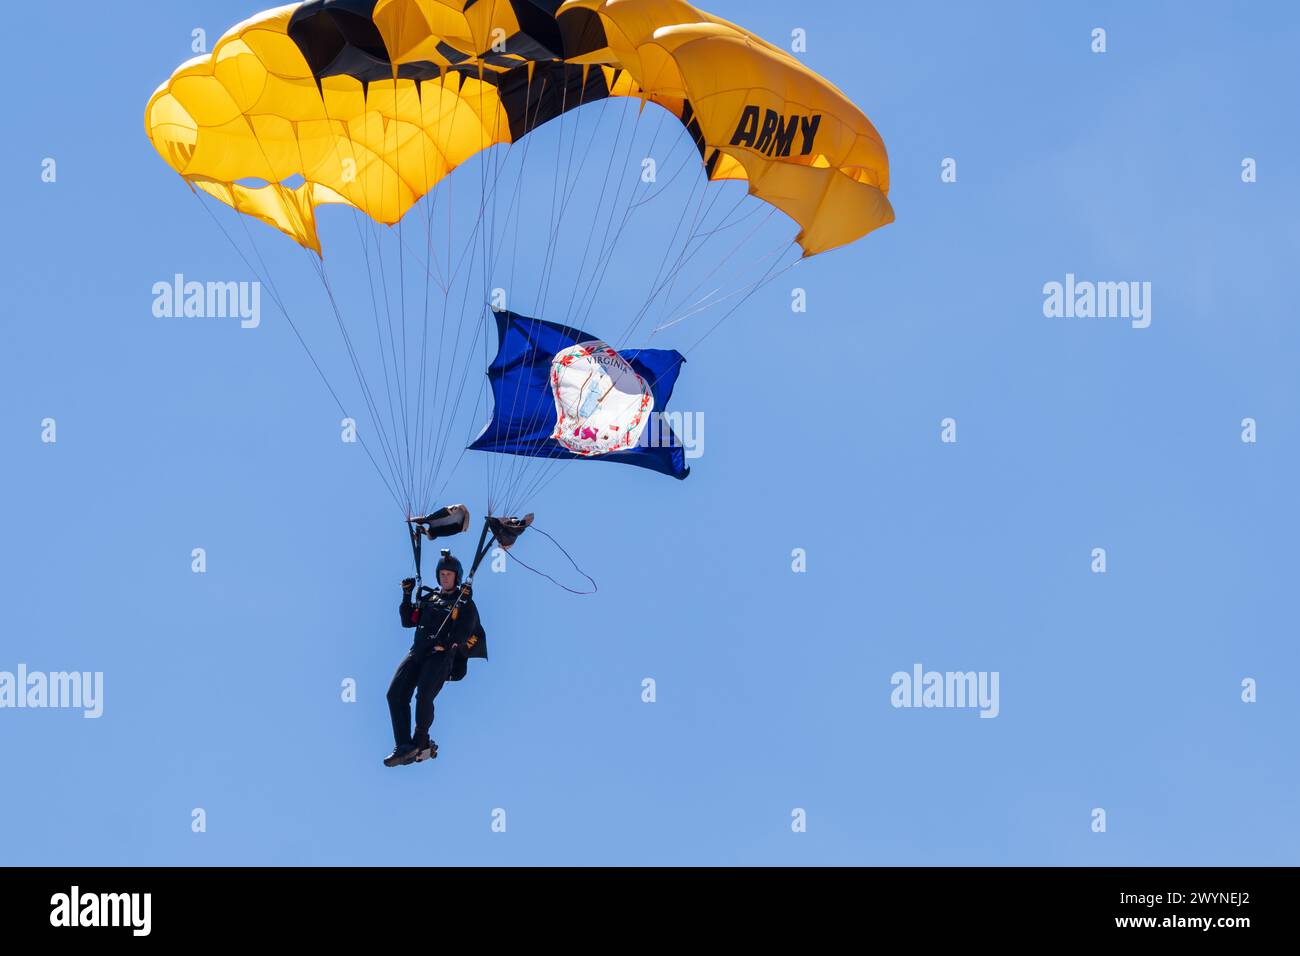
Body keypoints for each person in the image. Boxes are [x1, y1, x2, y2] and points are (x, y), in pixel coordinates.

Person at [383, 550, 487, 767]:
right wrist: (406, 595)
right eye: (442, 574)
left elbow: (467, 630)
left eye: (449, 574)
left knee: (424, 695)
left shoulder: (463, 602)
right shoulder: (429, 598)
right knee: (395, 694)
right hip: (418, 652)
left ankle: (421, 740)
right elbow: (408, 621)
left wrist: (448, 644)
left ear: (456, 577)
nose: (445, 578)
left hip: (440, 656)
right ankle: (404, 746)